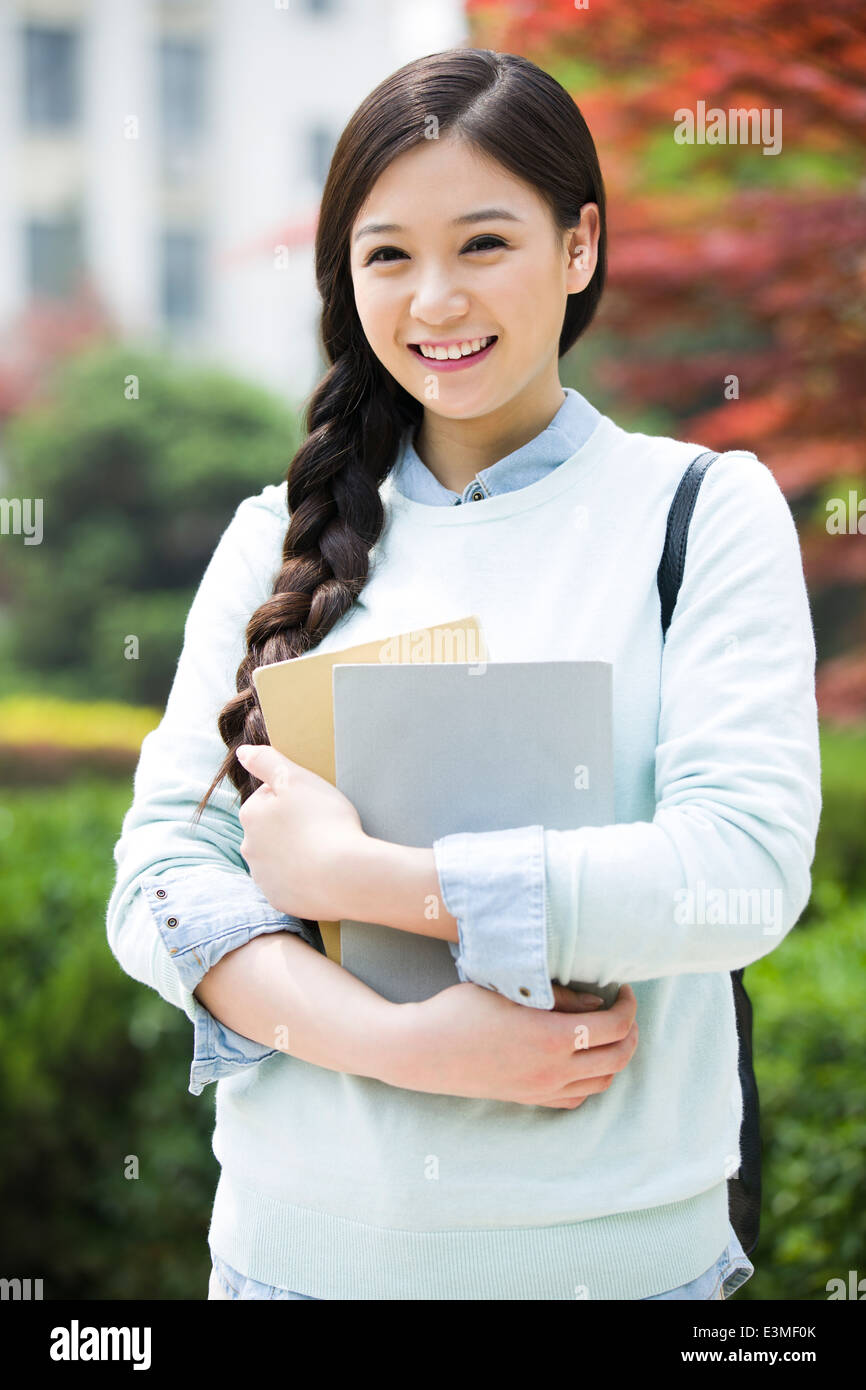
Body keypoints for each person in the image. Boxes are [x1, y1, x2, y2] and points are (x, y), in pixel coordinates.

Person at [106, 48, 820, 1301]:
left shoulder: (699, 510)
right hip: (287, 1270)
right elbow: (161, 883)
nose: (434, 300)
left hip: (625, 1274)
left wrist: (375, 880)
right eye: (387, 256)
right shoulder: (266, 537)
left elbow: (739, 875)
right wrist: (409, 1047)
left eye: (483, 243)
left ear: (578, 244)